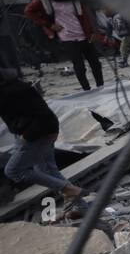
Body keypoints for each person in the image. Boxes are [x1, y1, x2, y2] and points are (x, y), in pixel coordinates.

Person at [1, 70, 82, 202]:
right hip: (35, 129)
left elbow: (41, 114)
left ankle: (69, 189)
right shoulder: (12, 85)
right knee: (48, 171)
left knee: (13, 171)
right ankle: (81, 206)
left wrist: (27, 136)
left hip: (37, 132)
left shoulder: (11, 91)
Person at [24, 0, 109, 91]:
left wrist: (92, 32)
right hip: (67, 37)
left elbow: (86, 15)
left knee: (95, 62)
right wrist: (49, 25)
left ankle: (101, 86)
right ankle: (87, 89)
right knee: (79, 65)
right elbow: (28, 11)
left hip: (84, 34)